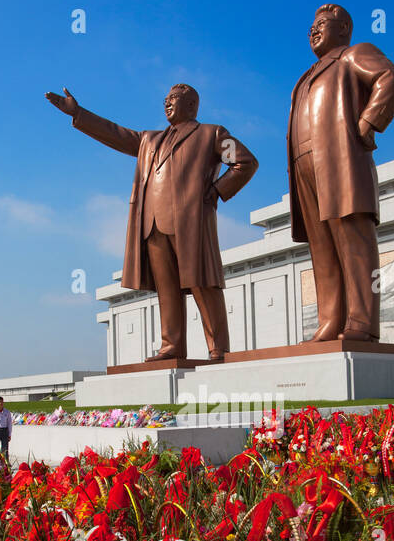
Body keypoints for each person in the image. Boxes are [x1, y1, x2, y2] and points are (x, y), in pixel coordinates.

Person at [47, 82, 258, 362]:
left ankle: (217, 347)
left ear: (192, 105)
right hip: (153, 225)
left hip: (190, 223)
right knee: (167, 290)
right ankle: (171, 346)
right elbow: (116, 134)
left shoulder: (212, 134)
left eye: (174, 98)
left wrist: (216, 191)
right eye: (166, 99)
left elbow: (245, 162)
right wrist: (80, 114)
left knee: (203, 285)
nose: (167, 103)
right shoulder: (149, 140)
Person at [287, 4, 394, 342]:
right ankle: (330, 321)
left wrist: (368, 124)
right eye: (311, 26)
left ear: (344, 30)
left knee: (354, 242)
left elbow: (391, 78)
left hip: (341, 160)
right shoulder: (305, 77)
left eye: (322, 24)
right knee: (322, 248)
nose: (313, 31)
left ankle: (362, 321)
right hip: (306, 168)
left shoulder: (354, 54)